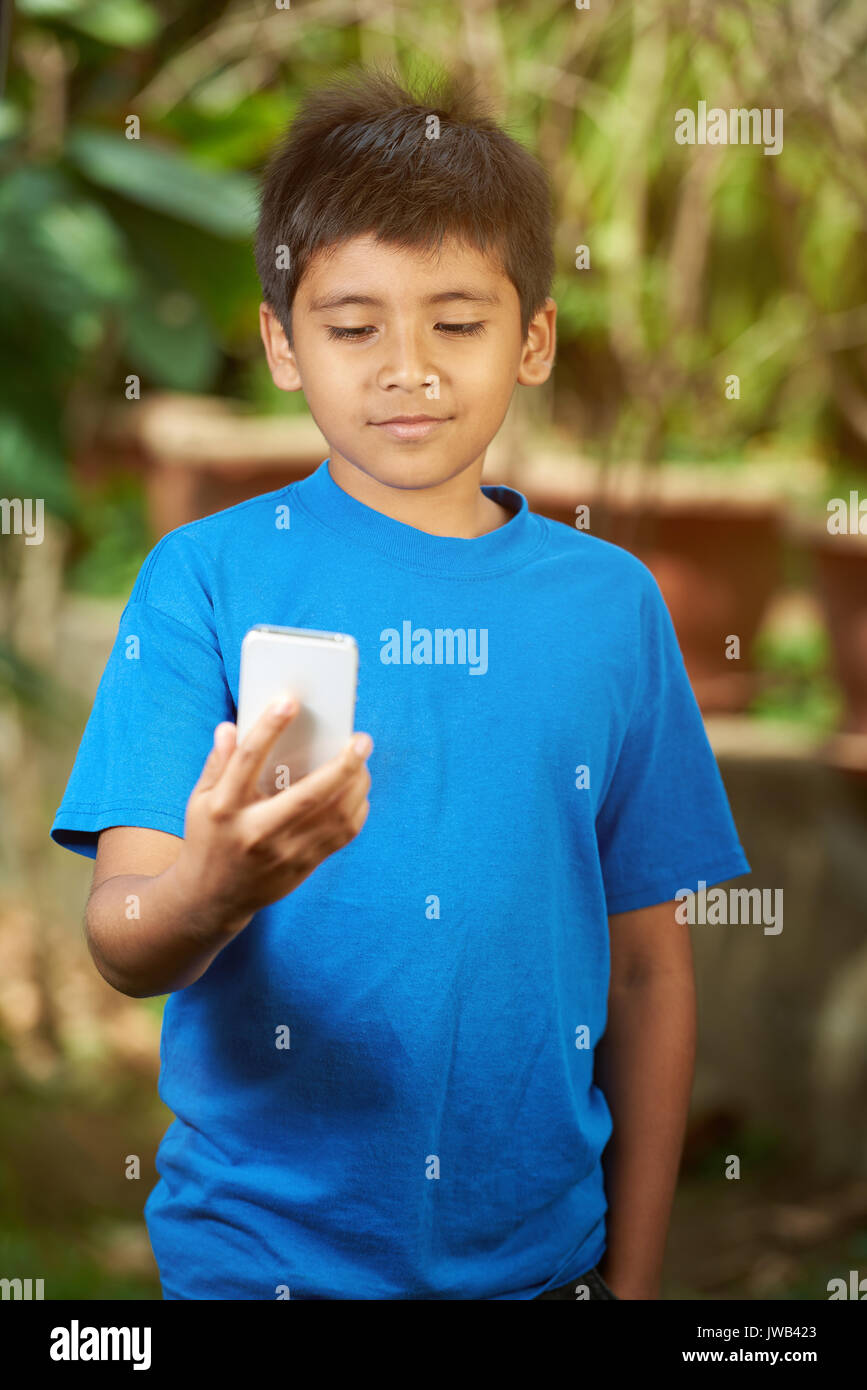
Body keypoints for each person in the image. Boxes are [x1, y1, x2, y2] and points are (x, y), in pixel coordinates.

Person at [50, 66, 750, 1300]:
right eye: (354, 324)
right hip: (255, 1265)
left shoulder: (613, 607)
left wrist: (635, 1284)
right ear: (281, 342)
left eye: (458, 322)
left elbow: (648, 971)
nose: (408, 368)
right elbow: (124, 938)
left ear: (533, 339)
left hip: (548, 1270)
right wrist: (212, 888)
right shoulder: (202, 580)